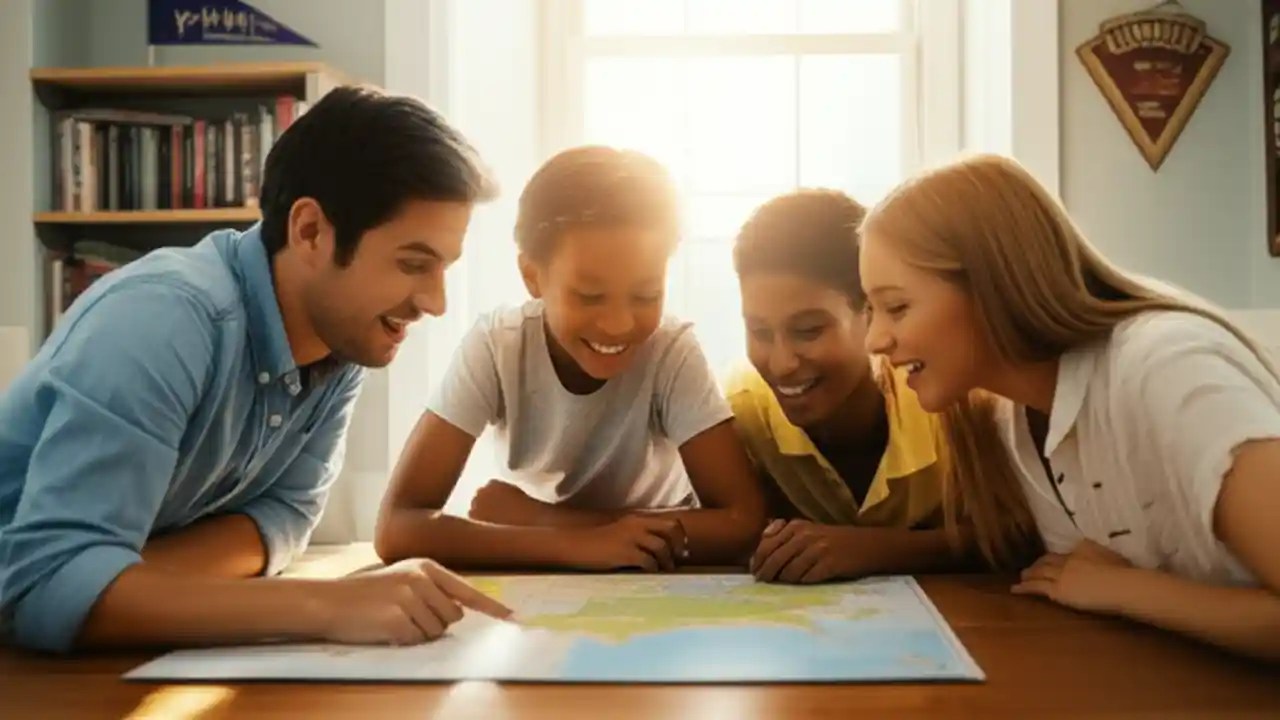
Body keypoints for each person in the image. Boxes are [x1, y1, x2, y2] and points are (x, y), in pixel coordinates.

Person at [0, 85, 512, 654]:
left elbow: (285, 514)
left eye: (443, 269)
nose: (436, 303)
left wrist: (124, 583)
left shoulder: (338, 344)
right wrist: (328, 606)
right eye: (413, 263)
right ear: (310, 230)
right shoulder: (163, 319)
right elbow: (46, 588)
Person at [858, 153, 1280, 661]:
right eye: (871, 310)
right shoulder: (1008, 419)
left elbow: (1104, 583)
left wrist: (1124, 589)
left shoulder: (1166, 367)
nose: (875, 340)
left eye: (897, 307)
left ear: (994, 284)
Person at [376, 145, 766, 571]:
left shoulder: (670, 351)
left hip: (655, 566)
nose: (618, 324)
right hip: (607, 553)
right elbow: (397, 527)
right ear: (532, 277)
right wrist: (579, 545)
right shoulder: (497, 346)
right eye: (589, 296)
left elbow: (742, 522)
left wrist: (546, 522)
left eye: (646, 295)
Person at [725, 189, 971, 584]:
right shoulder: (740, 415)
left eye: (808, 330)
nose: (781, 363)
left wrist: (874, 549)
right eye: (759, 331)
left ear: (872, 313)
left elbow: (1016, 535)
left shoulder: (950, 401)